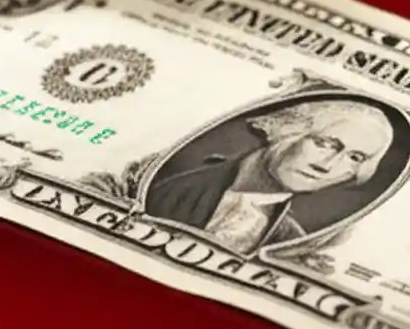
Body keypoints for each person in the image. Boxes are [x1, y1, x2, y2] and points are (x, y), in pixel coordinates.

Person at [145, 99, 394, 255]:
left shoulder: (289, 241)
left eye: (355, 158)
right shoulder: (168, 184)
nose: (328, 166)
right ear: (288, 132)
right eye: (326, 144)